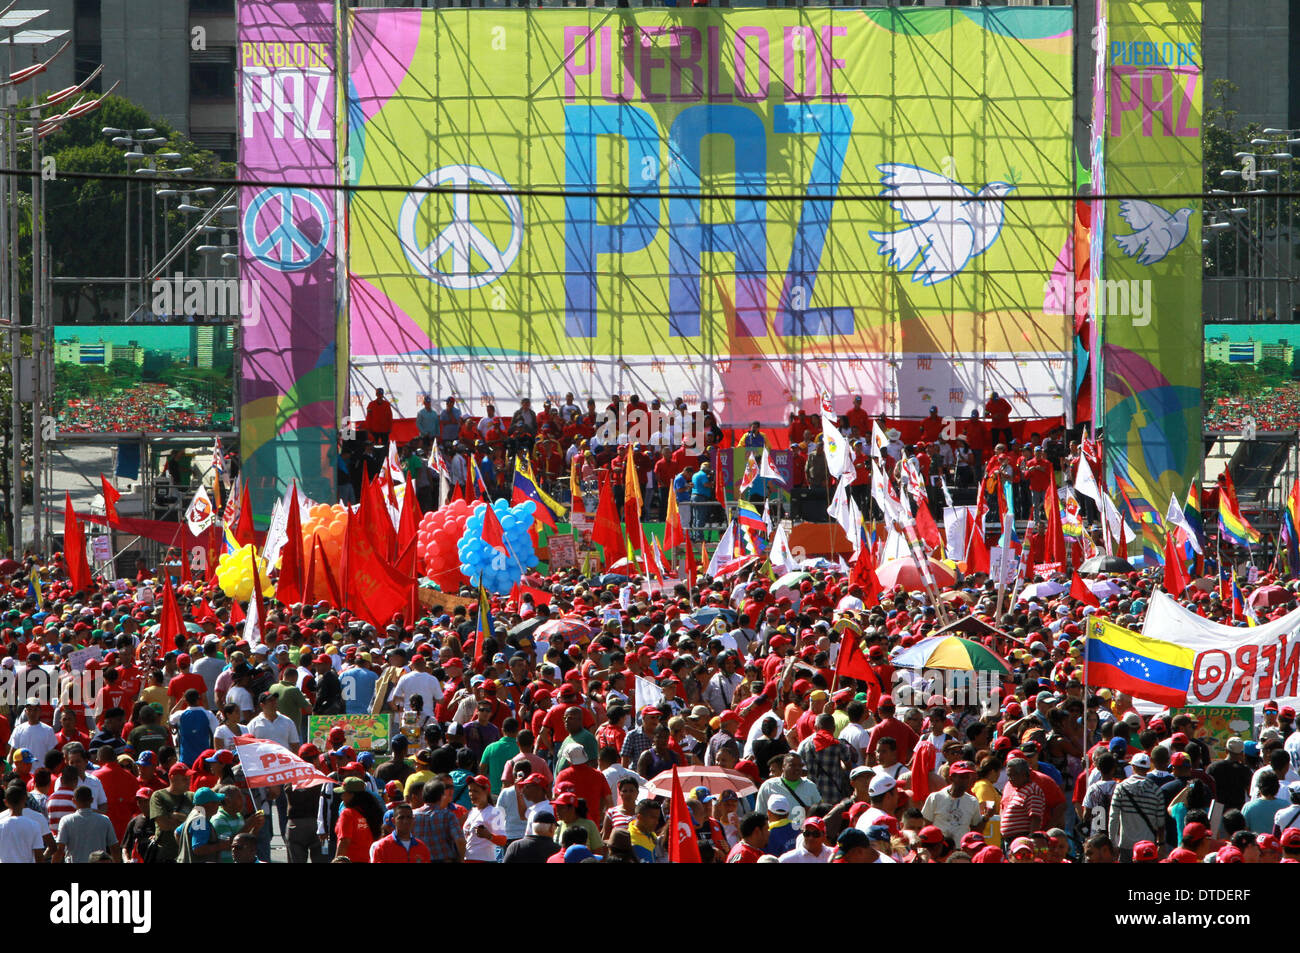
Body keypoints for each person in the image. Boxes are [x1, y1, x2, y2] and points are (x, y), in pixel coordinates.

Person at [55, 785, 119, 863]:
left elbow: (60, 849)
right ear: (92, 800)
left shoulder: (66, 820)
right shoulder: (104, 820)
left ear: (74, 801)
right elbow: (114, 848)